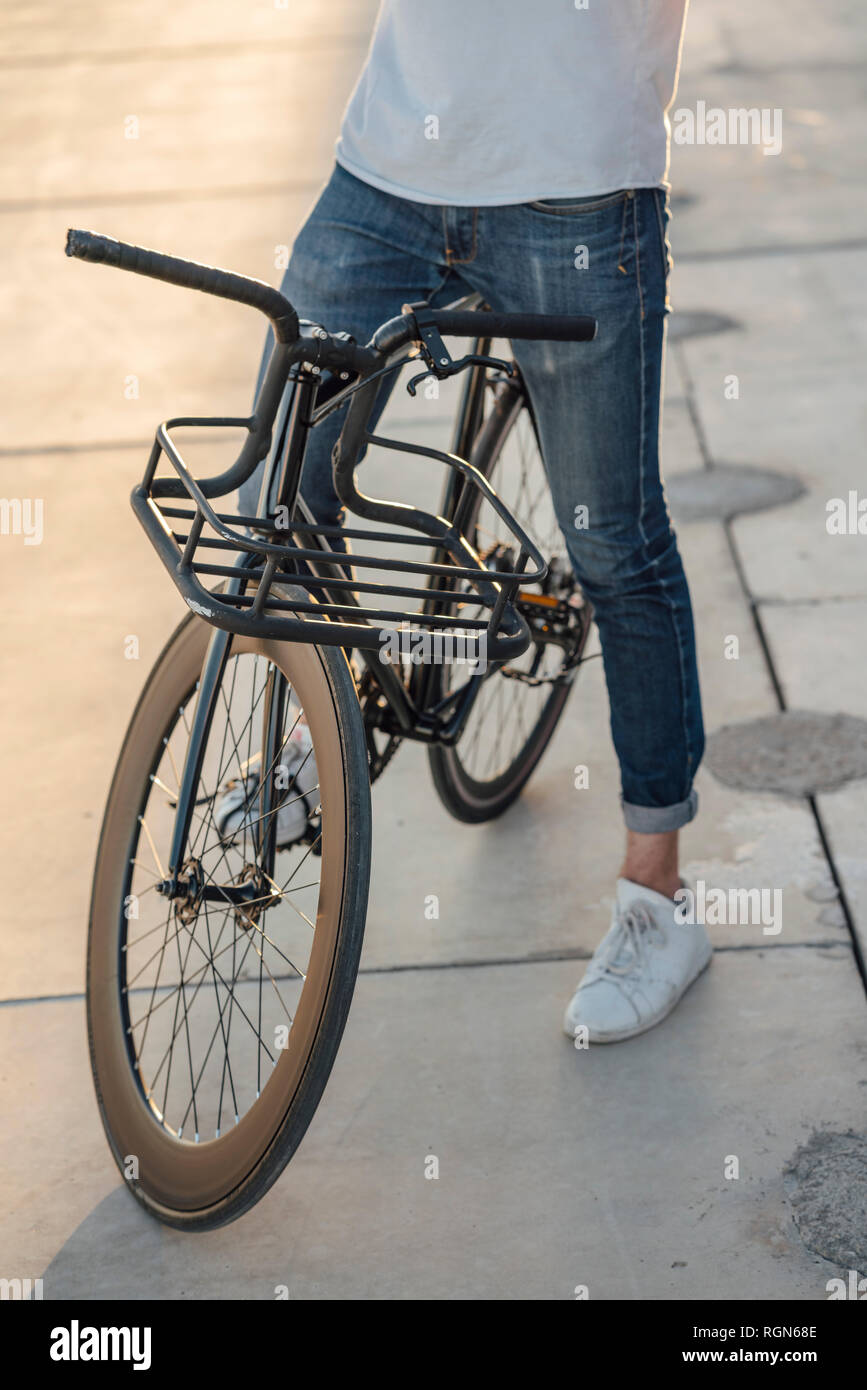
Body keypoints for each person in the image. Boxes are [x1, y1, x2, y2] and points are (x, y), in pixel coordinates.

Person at [239, 0, 711, 1043]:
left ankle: (659, 897)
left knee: (613, 545)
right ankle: (321, 722)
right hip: (389, 171)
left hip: (575, 189)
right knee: (275, 488)